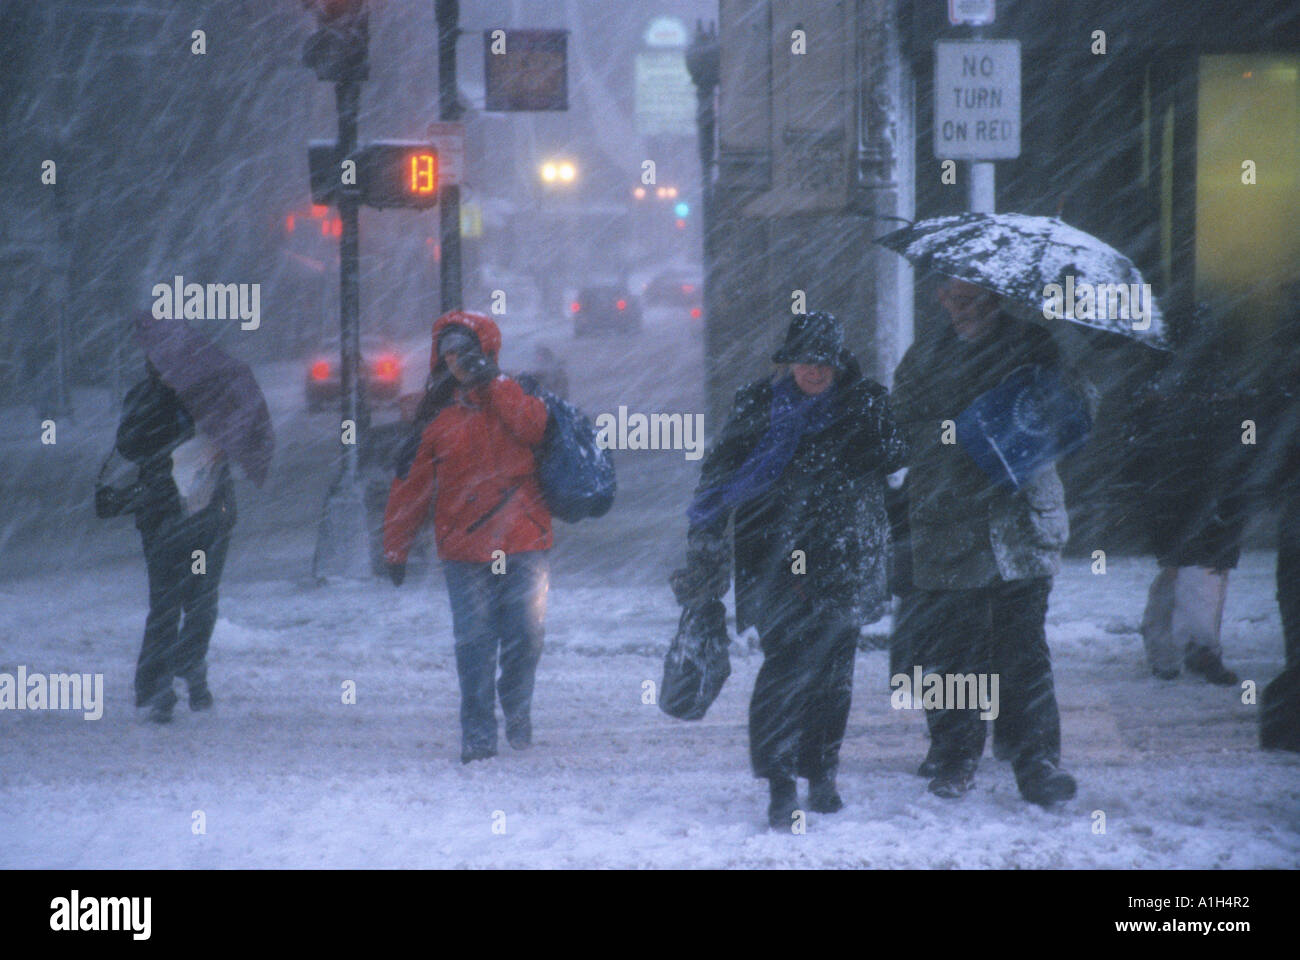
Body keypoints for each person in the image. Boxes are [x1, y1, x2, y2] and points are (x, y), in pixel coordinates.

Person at [672, 311, 906, 829]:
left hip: (841, 558)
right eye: (805, 360)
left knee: (832, 675)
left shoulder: (862, 401)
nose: (814, 371)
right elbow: (722, 466)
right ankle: (780, 784)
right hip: (771, 558)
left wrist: (862, 423)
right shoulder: (759, 403)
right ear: (788, 361)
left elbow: (895, 453)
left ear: (838, 361)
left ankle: (822, 773)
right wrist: (705, 532)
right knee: (783, 671)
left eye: (824, 361)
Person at [891, 278, 1079, 805]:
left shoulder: (1036, 345)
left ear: (995, 295)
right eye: (954, 295)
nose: (964, 306)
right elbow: (902, 427)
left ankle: (1036, 763)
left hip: (1021, 526)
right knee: (953, 653)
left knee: (1024, 652)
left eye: (974, 295)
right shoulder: (925, 355)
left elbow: (1076, 408)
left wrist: (1028, 420)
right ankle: (954, 756)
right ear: (939, 297)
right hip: (950, 525)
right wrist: (967, 430)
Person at [383, 310, 552, 763]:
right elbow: (410, 486)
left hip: (524, 541)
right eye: (449, 354)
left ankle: (516, 708)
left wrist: (494, 383)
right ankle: (478, 734)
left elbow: (533, 427)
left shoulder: (516, 394)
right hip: (464, 550)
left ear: (486, 353)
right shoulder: (436, 419)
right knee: (474, 643)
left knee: (526, 637)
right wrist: (395, 545)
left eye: (465, 353)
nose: (457, 362)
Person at [1125, 320, 1254, 684]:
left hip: (1177, 489)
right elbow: (1246, 437)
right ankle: (1195, 647)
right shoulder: (1227, 388)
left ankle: (1171, 644)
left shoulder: (1157, 389)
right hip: (1204, 488)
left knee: (1183, 567)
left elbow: (1138, 446)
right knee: (1203, 568)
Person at [116, 361, 235, 723]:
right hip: (164, 515)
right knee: (166, 603)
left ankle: (191, 667)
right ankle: (156, 689)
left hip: (207, 513)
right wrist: (171, 444)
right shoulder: (146, 398)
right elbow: (127, 446)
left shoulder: (212, 397)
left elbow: (236, 441)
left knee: (202, 601)